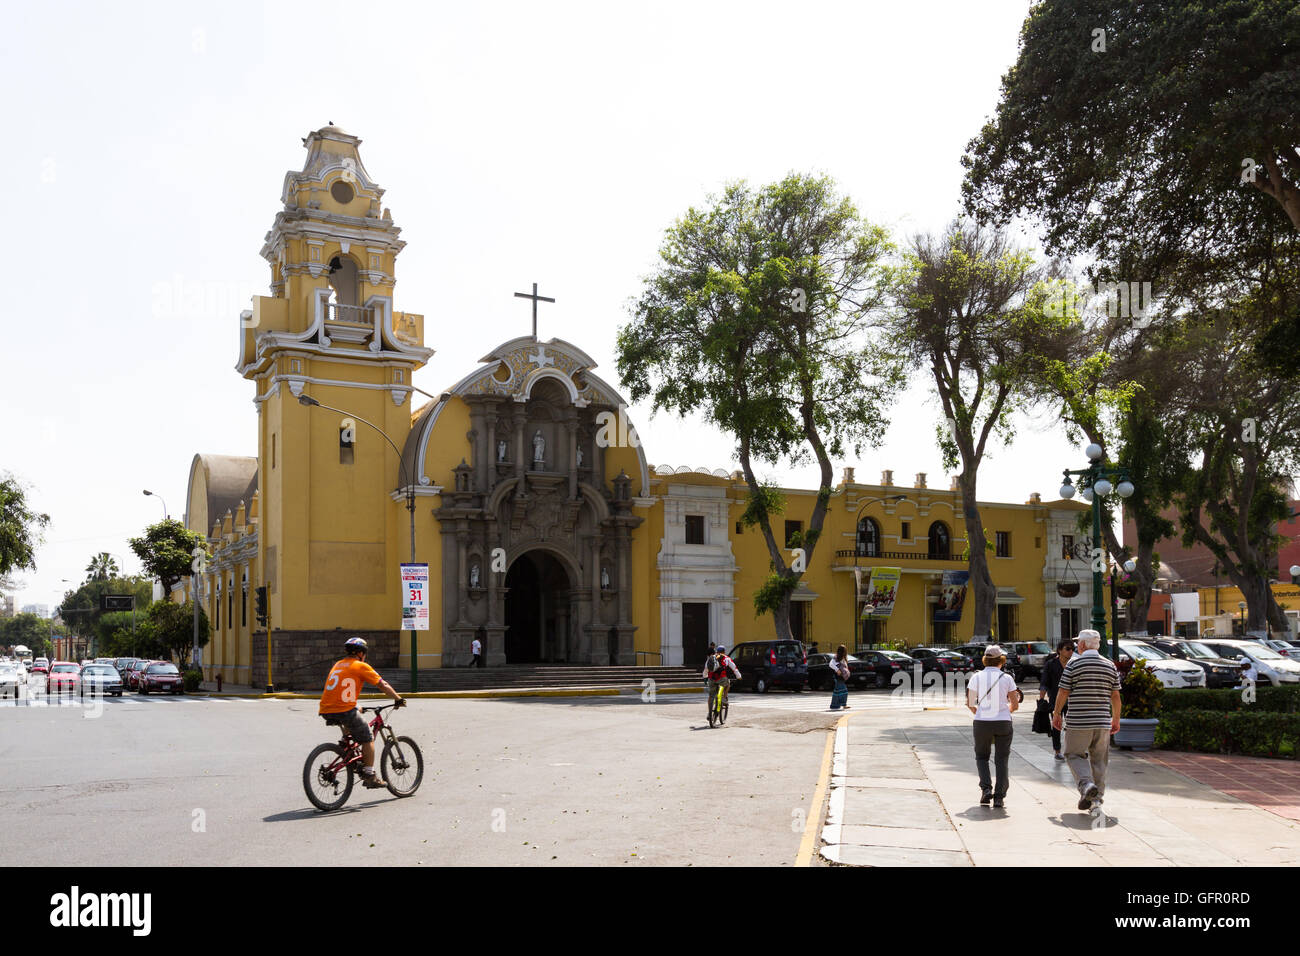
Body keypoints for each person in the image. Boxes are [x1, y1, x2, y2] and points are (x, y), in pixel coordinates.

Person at [319, 637, 405, 788]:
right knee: (367, 738)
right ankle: (370, 775)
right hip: (343, 710)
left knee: (353, 713)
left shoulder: (338, 664)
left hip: (326, 709)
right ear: (360, 653)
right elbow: (382, 684)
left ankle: (346, 746)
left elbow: (342, 692)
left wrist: (358, 707)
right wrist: (398, 699)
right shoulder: (360, 666)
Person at [1051, 629, 1121, 812]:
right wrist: (1116, 719)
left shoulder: (1073, 665)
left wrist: (1057, 713)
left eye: (1077, 644)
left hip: (1079, 721)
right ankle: (1096, 801)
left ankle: (1087, 785)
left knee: (1074, 754)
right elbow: (1115, 696)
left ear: (1082, 645)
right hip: (1102, 721)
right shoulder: (1109, 665)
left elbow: (1063, 692)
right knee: (1099, 760)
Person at [966, 644, 1019, 808]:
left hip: (982, 722)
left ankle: (986, 790)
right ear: (1001, 660)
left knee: (982, 757)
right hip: (1003, 721)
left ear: (985, 660)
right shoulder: (1007, 678)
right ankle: (999, 797)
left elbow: (970, 702)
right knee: (1001, 759)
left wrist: (979, 712)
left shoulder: (976, 677)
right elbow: (1015, 704)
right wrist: (1006, 711)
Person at [1038, 638, 1075, 760]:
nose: (1070, 651)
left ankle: (1072, 750)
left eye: (1072, 649)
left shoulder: (1074, 664)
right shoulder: (1051, 664)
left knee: (1073, 726)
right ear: (1060, 650)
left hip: (1073, 700)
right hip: (1055, 699)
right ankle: (1057, 750)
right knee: (1057, 726)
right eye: (1068, 649)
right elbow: (1044, 682)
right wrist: (1041, 699)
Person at [703, 643, 740, 718]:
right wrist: (739, 676)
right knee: (728, 684)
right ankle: (723, 698)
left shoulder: (711, 658)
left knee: (711, 695)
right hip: (721, 678)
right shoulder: (726, 658)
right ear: (724, 651)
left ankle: (709, 713)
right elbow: (734, 668)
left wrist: (705, 677)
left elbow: (705, 669)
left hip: (711, 679)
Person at [829, 644, 852, 711]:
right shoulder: (836, 657)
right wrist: (837, 670)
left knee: (837, 692)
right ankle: (844, 705)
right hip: (838, 677)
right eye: (844, 650)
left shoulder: (843, 658)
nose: (845, 652)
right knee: (844, 691)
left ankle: (834, 706)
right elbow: (830, 664)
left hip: (841, 677)